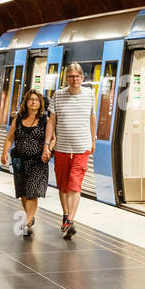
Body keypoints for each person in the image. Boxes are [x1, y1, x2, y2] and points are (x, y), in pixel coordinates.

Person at [45, 62, 95, 240]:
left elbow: (92, 118)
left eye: (77, 76)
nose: (74, 79)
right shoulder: (58, 96)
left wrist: (93, 139)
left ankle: (71, 220)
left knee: (75, 184)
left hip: (82, 148)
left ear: (82, 78)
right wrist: (47, 143)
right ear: (66, 78)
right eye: (71, 76)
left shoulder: (90, 95)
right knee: (63, 185)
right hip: (62, 148)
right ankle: (66, 215)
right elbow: (51, 121)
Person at [1, 88, 49, 237]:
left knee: (32, 191)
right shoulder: (19, 119)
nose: (33, 102)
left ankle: (27, 221)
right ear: (26, 102)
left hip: (38, 161)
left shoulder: (44, 121)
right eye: (30, 99)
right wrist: (4, 152)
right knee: (23, 191)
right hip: (19, 159)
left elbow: (52, 138)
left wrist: (48, 149)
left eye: (36, 100)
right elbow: (10, 137)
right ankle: (30, 216)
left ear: (40, 103)